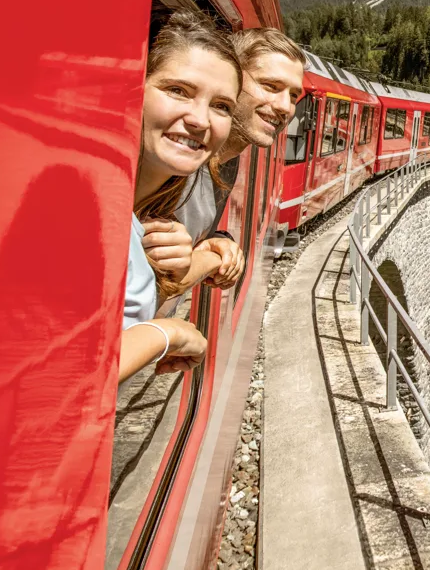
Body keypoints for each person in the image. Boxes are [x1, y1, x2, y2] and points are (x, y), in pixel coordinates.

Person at [118, 20, 243, 383]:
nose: (200, 119)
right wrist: (167, 334)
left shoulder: (147, 216)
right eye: (177, 90)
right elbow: (65, 374)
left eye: (221, 106)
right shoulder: (80, 205)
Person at [170, 26, 306, 291]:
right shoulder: (179, 160)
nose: (284, 107)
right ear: (231, 81)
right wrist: (208, 260)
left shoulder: (228, 160)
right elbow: (152, 280)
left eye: (293, 96)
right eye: (270, 86)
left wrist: (215, 240)